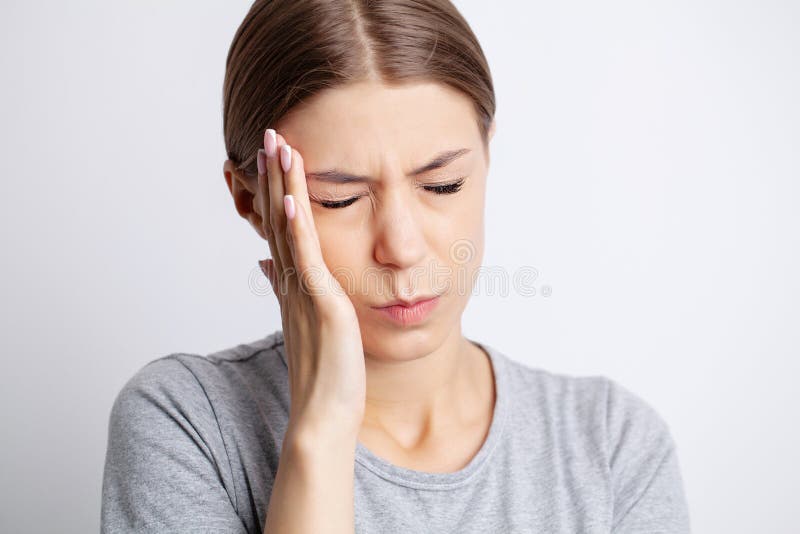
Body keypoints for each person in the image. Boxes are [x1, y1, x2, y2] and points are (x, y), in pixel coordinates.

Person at [100, 1, 691, 532]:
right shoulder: (186, 426)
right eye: (339, 199)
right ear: (251, 200)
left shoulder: (613, 448)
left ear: (487, 157)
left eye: (443, 183)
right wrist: (322, 430)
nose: (402, 247)